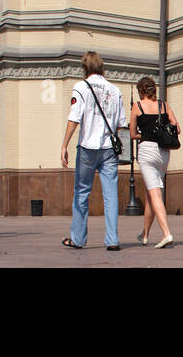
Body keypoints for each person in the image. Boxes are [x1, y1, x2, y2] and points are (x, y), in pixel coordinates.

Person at [61, 51, 128, 251]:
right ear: (101, 66)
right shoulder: (115, 90)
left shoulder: (80, 87)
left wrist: (64, 145)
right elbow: (120, 124)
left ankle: (78, 239)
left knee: (81, 193)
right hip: (109, 149)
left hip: (87, 148)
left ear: (85, 67)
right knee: (111, 195)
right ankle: (113, 240)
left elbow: (74, 120)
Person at [133, 76, 180, 248]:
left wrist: (145, 134)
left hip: (147, 152)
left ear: (140, 91)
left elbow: (132, 133)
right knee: (150, 194)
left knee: (155, 195)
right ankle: (144, 234)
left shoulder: (137, 106)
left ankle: (166, 233)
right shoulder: (164, 105)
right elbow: (177, 127)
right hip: (164, 153)